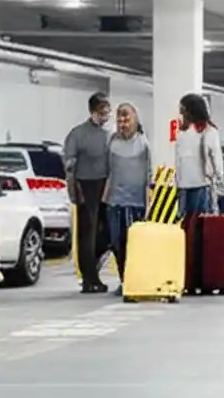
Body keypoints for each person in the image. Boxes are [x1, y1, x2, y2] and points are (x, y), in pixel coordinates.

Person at [63, 92, 113, 294]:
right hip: (85, 186)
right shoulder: (77, 134)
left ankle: (94, 270)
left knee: (106, 233)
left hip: (106, 186)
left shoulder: (109, 135)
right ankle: (89, 278)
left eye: (107, 113)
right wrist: (73, 189)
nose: (105, 117)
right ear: (92, 112)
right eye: (102, 113)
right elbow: (69, 164)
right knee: (87, 234)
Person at [103, 102, 151, 296]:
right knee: (117, 242)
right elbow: (107, 171)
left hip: (136, 202)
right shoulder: (111, 142)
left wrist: (149, 203)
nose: (123, 123)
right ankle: (124, 279)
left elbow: (149, 175)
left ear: (135, 120)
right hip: (115, 201)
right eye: (120, 119)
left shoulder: (143, 144)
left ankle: (135, 280)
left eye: (127, 119)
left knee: (134, 244)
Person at [175, 93, 223, 218]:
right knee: (198, 226)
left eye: (182, 109)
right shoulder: (183, 133)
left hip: (198, 187)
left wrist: (217, 178)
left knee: (191, 226)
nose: (180, 113)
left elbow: (216, 160)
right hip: (190, 186)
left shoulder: (207, 132)